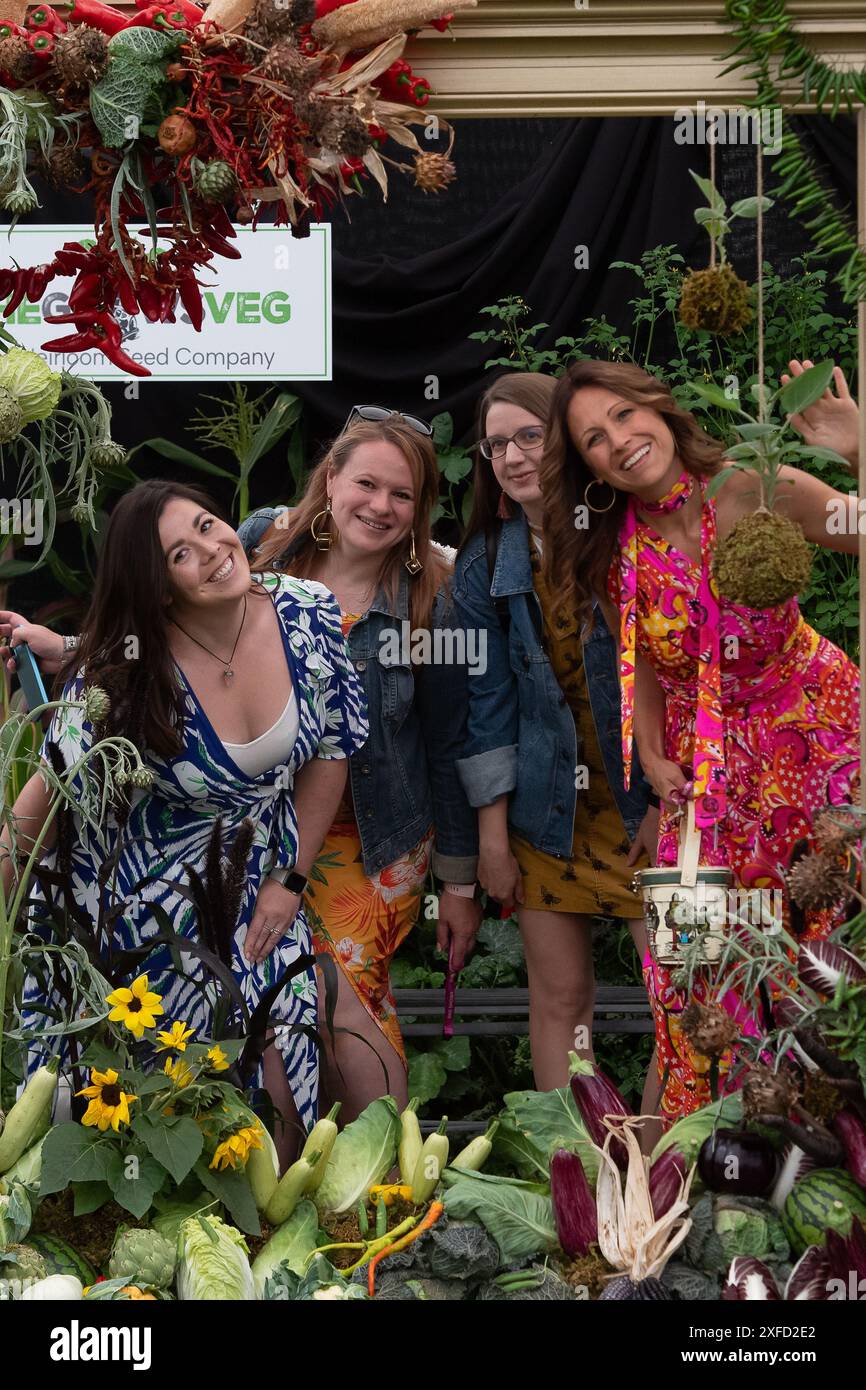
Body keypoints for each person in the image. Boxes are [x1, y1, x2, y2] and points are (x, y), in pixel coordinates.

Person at [1, 480, 368, 1162]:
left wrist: (290, 880)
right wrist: (27, 924)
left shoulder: (307, 612)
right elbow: (35, 812)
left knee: (284, 1072)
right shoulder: (126, 673)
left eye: (207, 525)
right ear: (159, 586)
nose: (212, 549)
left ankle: (276, 1250)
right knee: (153, 1110)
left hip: (260, 883)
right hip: (145, 916)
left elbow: (331, 751)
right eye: (180, 553)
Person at [540, 357, 861, 1119]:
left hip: (816, 738)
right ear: (587, 466)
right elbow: (645, 660)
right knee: (692, 966)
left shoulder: (759, 486)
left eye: (622, 415)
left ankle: (834, 1152)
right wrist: (649, 752)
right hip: (707, 776)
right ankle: (708, 1161)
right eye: (593, 438)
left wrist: (856, 452)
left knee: (829, 952)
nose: (616, 442)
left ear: (659, 404)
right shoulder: (611, 547)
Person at [238, 408, 481, 1121]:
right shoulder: (265, 543)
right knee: (277, 1005)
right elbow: (179, 636)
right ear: (332, 478)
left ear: (421, 507)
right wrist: (68, 648)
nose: (380, 506)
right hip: (267, 826)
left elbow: (450, 744)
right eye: (366, 484)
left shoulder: (437, 594)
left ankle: (387, 1189)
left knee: (343, 994)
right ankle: (297, 1187)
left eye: (402, 496)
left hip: (376, 836)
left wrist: (458, 882)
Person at [451, 372, 660, 1099]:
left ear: (566, 440)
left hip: (650, 802)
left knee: (682, 999)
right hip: (548, 811)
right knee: (562, 1002)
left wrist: (669, 801)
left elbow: (684, 675)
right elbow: (487, 708)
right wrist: (493, 841)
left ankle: (660, 1181)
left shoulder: (628, 533)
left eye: (529, 437)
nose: (510, 456)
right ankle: (573, 1177)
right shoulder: (484, 565)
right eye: (496, 444)